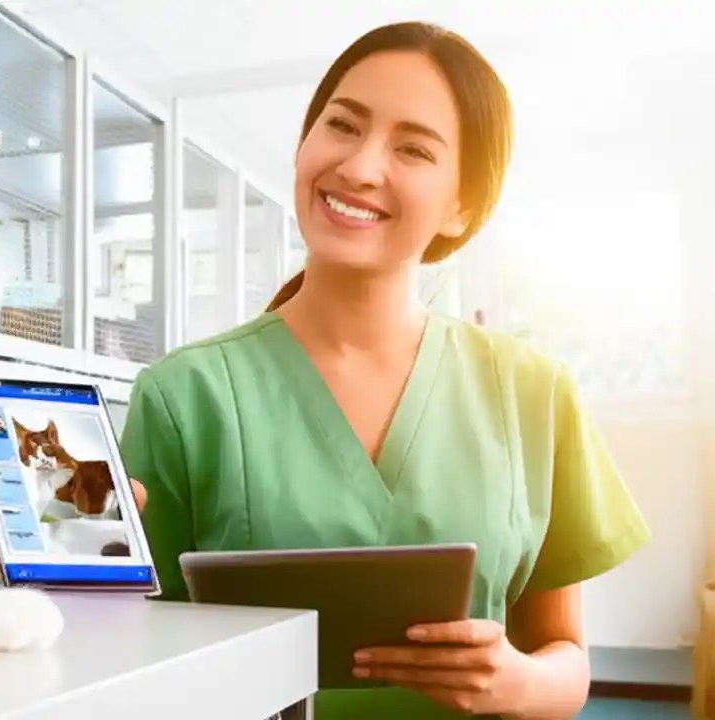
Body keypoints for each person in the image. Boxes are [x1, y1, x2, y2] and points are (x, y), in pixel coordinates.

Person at [115, 21, 650, 720]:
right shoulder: (185, 396)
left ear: (464, 203)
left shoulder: (533, 393)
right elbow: (127, 659)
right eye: (342, 125)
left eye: (414, 149)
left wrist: (512, 682)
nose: (361, 167)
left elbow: (567, 661)